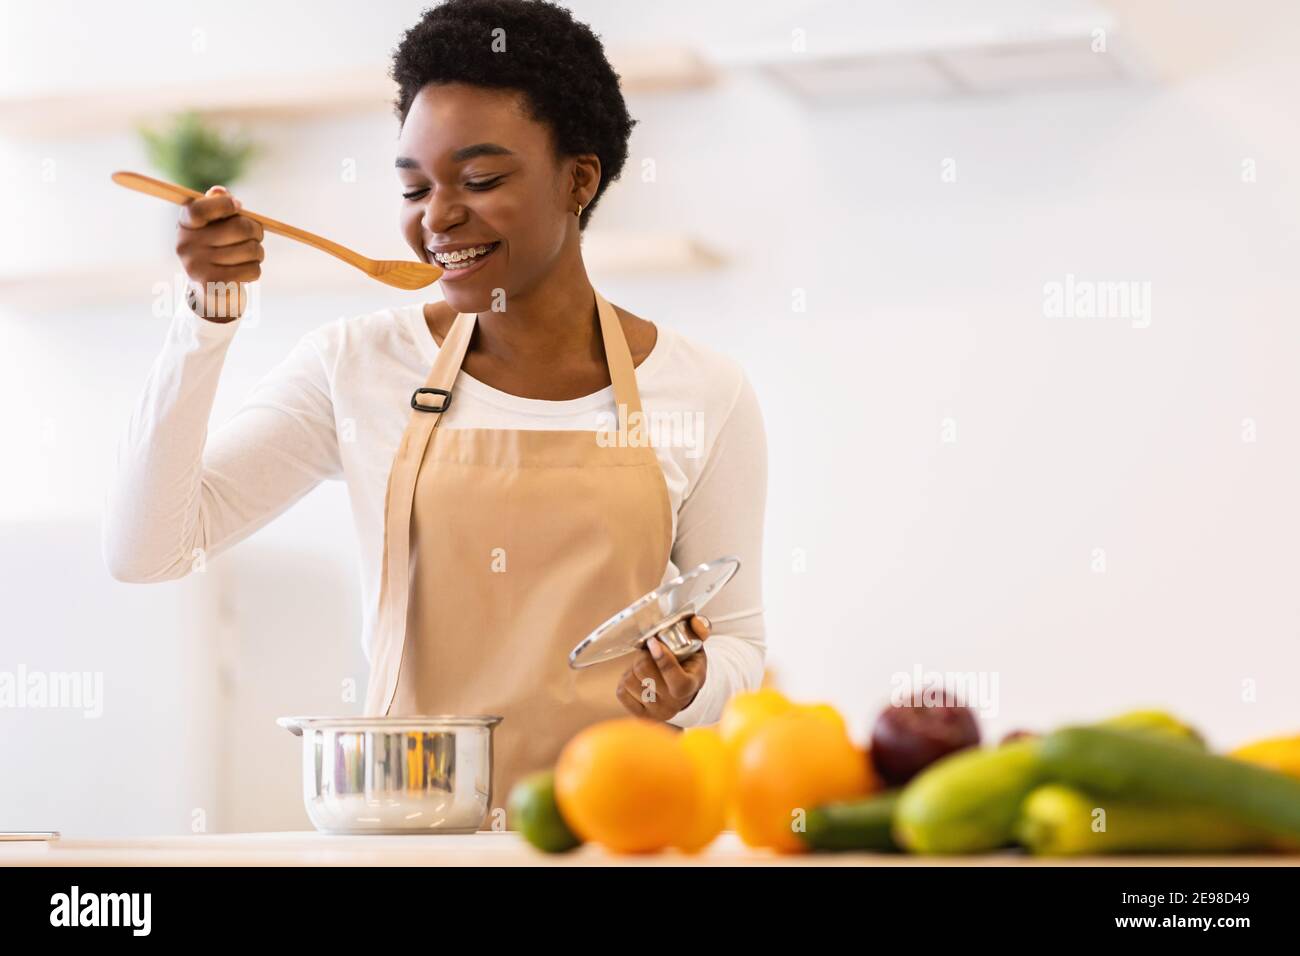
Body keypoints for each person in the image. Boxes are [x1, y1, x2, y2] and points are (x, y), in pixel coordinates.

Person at [103, 0, 768, 813]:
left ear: (579, 178)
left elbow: (740, 645)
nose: (437, 217)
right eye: (414, 187)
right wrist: (205, 321)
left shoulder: (704, 390)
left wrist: (694, 687)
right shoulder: (356, 366)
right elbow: (147, 551)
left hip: (620, 835)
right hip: (410, 828)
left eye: (480, 181)